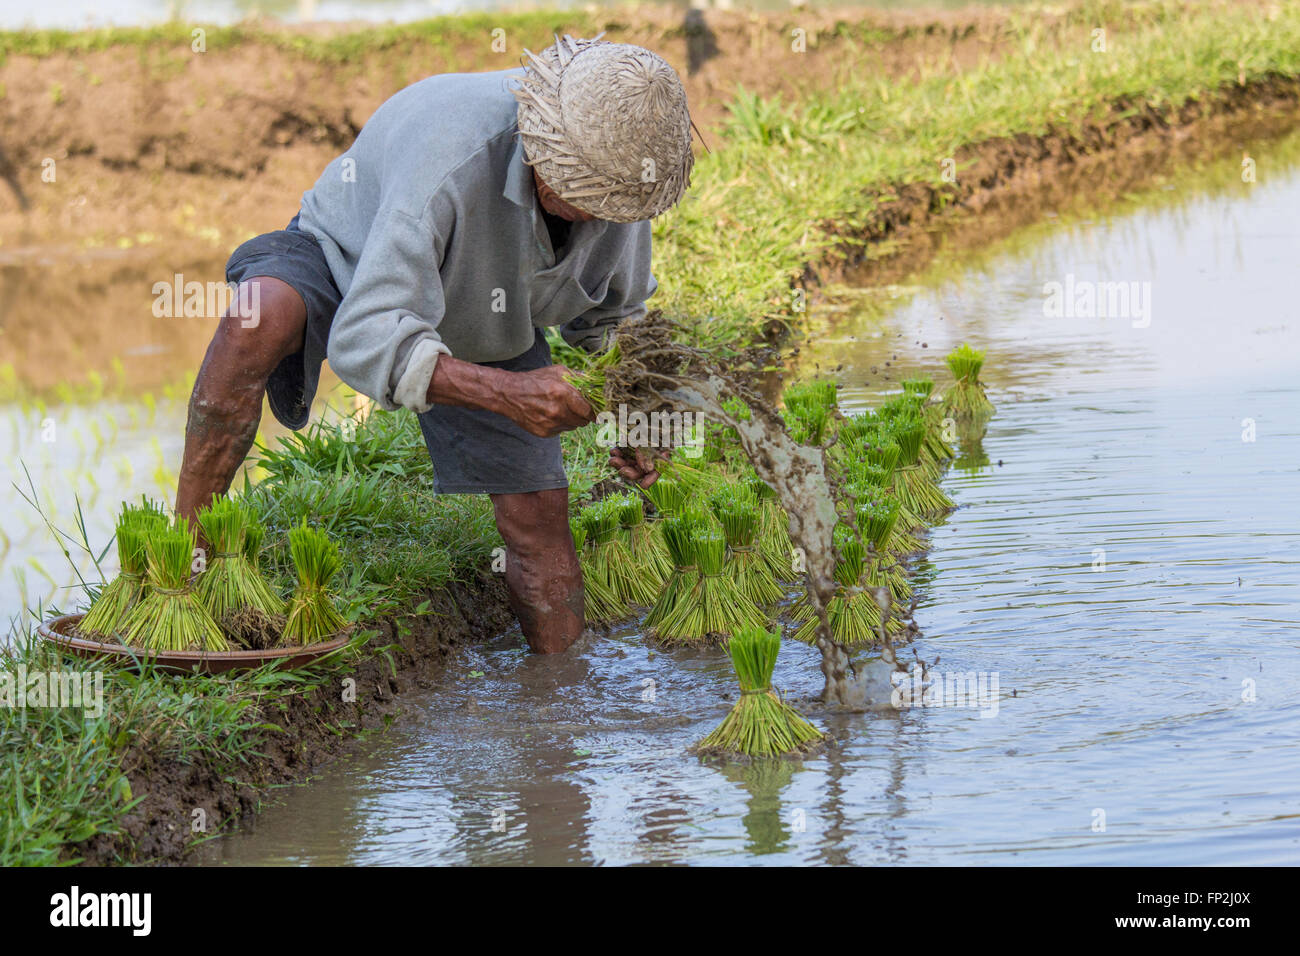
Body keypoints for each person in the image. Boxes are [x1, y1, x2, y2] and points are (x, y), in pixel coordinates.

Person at [174, 35, 694, 654]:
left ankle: (560, 704)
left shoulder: (617, 186)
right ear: (540, 146)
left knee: (540, 517)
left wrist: (641, 415)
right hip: (355, 260)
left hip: (482, 305)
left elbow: (615, 321)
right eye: (575, 191)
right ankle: (184, 562)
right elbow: (364, 336)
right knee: (256, 319)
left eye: (603, 203)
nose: (592, 214)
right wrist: (508, 393)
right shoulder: (450, 155)